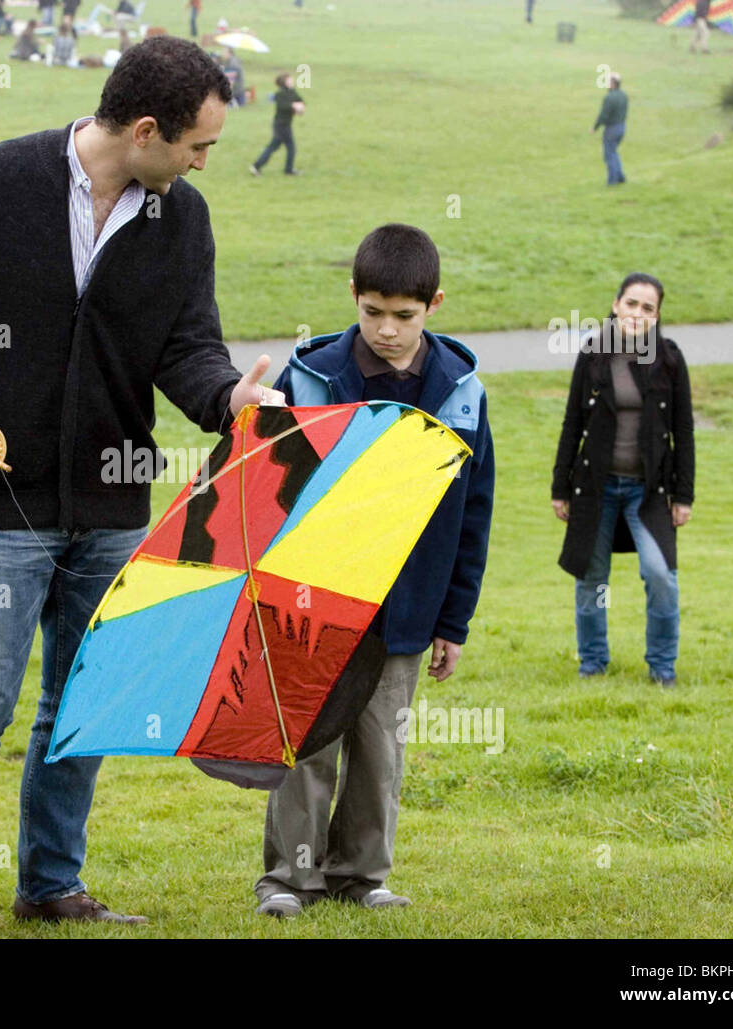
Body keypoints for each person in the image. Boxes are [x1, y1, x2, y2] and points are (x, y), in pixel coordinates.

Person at [0, 35, 282, 940]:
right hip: (0, 503)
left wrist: (232, 398)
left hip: (116, 508)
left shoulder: (180, 219)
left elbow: (186, 349)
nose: (200, 164)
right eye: (196, 146)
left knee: (83, 709)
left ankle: (50, 883)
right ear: (146, 131)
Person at [255, 223, 495, 917]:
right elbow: (273, 489)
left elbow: (473, 511)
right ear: (353, 296)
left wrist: (453, 619)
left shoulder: (462, 392)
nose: (387, 329)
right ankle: (289, 878)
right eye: (373, 312)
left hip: (408, 608)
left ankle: (361, 873)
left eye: (405, 315)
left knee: (380, 747)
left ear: (435, 305)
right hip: (314, 599)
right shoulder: (311, 377)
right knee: (307, 741)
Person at [552, 273, 693, 687]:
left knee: (660, 574)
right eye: (631, 303)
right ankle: (593, 663)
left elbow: (683, 430)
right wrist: (560, 487)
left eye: (648, 308)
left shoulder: (669, 360)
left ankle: (663, 668)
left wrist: (683, 496)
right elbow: (572, 423)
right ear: (616, 305)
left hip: (649, 492)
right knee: (591, 579)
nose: (637, 313)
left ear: (657, 315)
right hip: (594, 488)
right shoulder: (593, 355)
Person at [249, 72, 304, 176]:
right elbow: (283, 106)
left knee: (275, 146)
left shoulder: (292, 92)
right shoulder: (280, 94)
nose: (292, 81)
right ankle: (288, 170)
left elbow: (300, 100)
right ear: (284, 82)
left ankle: (257, 166)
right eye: (290, 80)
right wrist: (294, 106)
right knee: (290, 147)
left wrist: (300, 105)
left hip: (286, 124)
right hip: (281, 125)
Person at [593, 73, 627, 186]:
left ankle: (612, 181)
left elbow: (603, 115)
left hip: (611, 129)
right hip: (622, 127)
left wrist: (595, 127)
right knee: (613, 152)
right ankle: (620, 177)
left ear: (612, 84)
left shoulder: (609, 98)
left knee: (609, 154)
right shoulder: (624, 95)